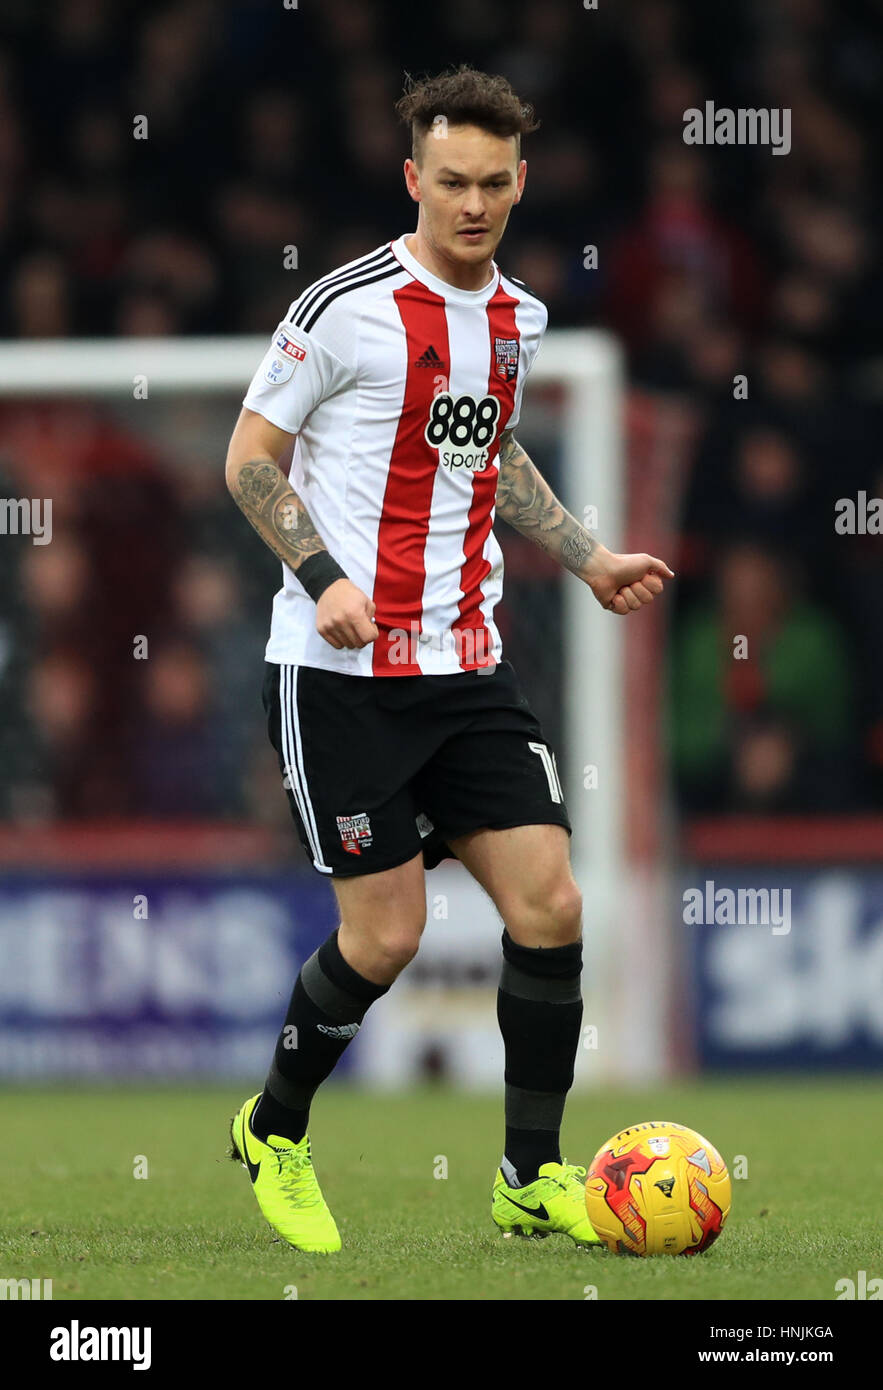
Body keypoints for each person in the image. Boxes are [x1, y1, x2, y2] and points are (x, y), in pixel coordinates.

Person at [224, 65, 673, 1253]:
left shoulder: (518, 319)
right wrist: (322, 579)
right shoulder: (342, 307)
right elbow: (249, 458)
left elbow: (491, 454)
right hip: (340, 679)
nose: (471, 205)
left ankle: (529, 1175)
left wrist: (584, 557)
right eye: (450, 183)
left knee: (550, 901)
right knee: (386, 937)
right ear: (411, 178)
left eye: (492, 185)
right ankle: (274, 1129)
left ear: (519, 184)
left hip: (466, 665)